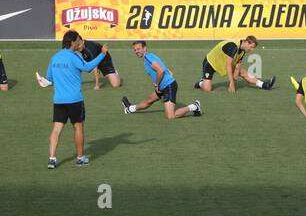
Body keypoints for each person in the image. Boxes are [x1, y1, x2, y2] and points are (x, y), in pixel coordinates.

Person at [45, 30, 108, 169]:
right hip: (74, 100)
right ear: (72, 42)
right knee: (78, 127)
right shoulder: (75, 57)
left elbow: (49, 78)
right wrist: (102, 54)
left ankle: (52, 159)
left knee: (56, 129)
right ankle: (80, 158)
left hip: (59, 100)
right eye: (78, 40)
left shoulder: (54, 58)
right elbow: (88, 67)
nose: (80, 42)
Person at [122, 41, 200, 119]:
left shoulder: (148, 58)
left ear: (144, 48)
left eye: (138, 49)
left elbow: (161, 71)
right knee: (149, 101)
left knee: (170, 116)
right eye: (135, 50)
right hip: (163, 86)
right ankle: (129, 108)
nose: (136, 51)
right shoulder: (151, 56)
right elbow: (169, 71)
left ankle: (194, 107)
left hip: (168, 86)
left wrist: (157, 84)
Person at [195, 37, 275, 93]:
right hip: (211, 63)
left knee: (242, 72)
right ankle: (200, 82)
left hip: (223, 62)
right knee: (207, 89)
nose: (252, 50)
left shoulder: (243, 50)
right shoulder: (233, 46)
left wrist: (235, 78)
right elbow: (228, 65)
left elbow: (238, 64)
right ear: (247, 42)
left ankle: (264, 85)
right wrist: (231, 83)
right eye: (251, 47)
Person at [36, 36, 120, 91]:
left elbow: (95, 67)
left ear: (82, 42)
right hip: (91, 61)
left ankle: (114, 73)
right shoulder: (79, 47)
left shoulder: (90, 48)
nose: (77, 47)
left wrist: (97, 85)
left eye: (79, 45)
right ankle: (48, 81)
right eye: (77, 45)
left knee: (116, 85)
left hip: (104, 61)